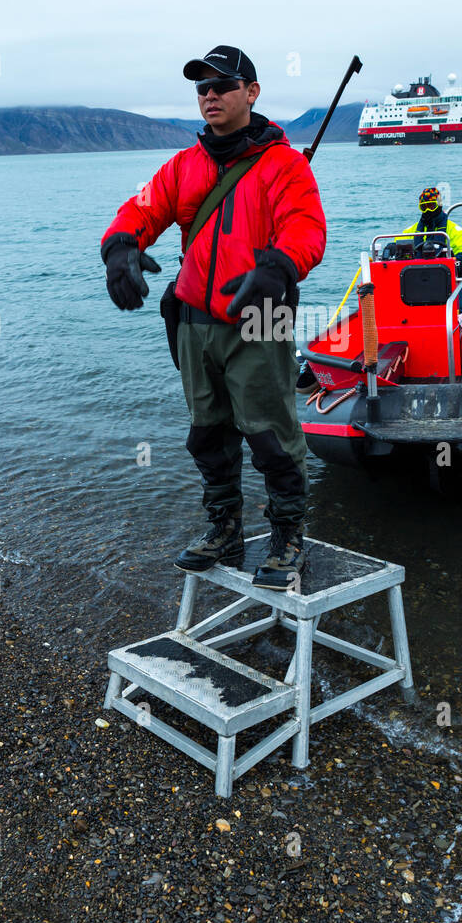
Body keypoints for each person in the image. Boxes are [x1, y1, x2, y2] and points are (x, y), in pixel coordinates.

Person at [99, 45, 326, 590]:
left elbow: (306, 228)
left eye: (222, 85)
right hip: (195, 322)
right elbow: (143, 208)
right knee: (208, 434)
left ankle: (287, 538)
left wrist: (278, 267)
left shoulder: (284, 165)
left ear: (252, 92)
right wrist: (120, 247)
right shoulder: (183, 166)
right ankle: (224, 528)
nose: (209, 95)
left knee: (271, 434)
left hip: (259, 318)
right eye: (201, 87)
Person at [404, 186, 462, 273]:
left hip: (444, 276)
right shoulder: (411, 231)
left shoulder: (454, 230)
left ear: (439, 204)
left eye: (431, 206)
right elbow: (399, 245)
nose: (428, 210)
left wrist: (458, 262)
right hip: (413, 275)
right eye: (424, 207)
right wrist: (391, 247)